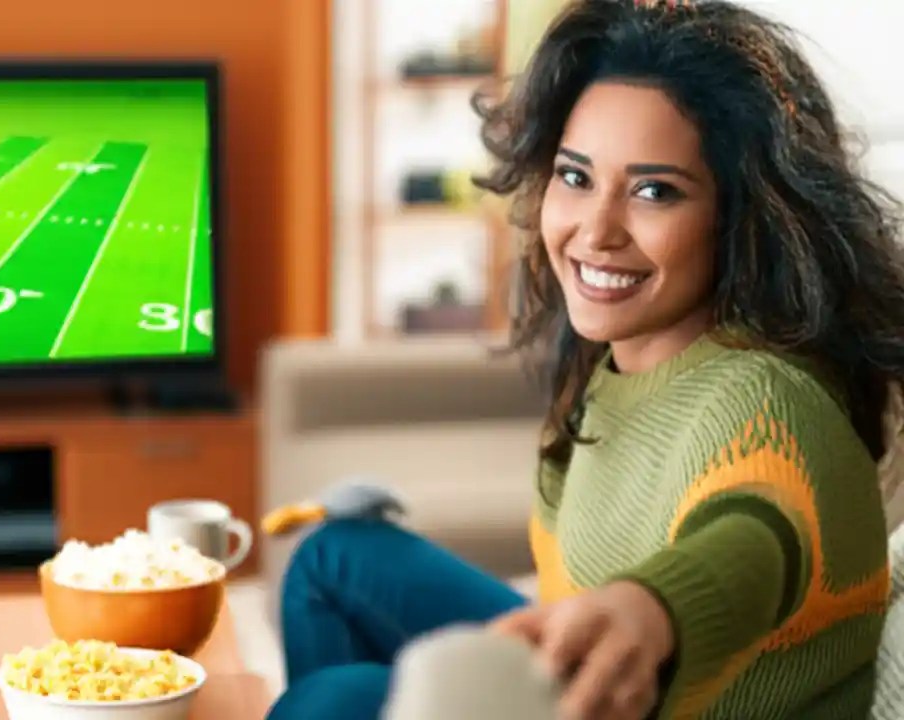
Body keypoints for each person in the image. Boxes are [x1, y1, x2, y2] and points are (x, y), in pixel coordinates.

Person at [266, 0, 904, 718]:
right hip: (579, 677)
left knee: (332, 701)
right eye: (576, 176)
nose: (595, 230)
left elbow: (756, 536)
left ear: (737, 215)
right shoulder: (622, 356)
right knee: (333, 558)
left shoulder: (767, 401)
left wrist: (653, 611)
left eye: (654, 191)